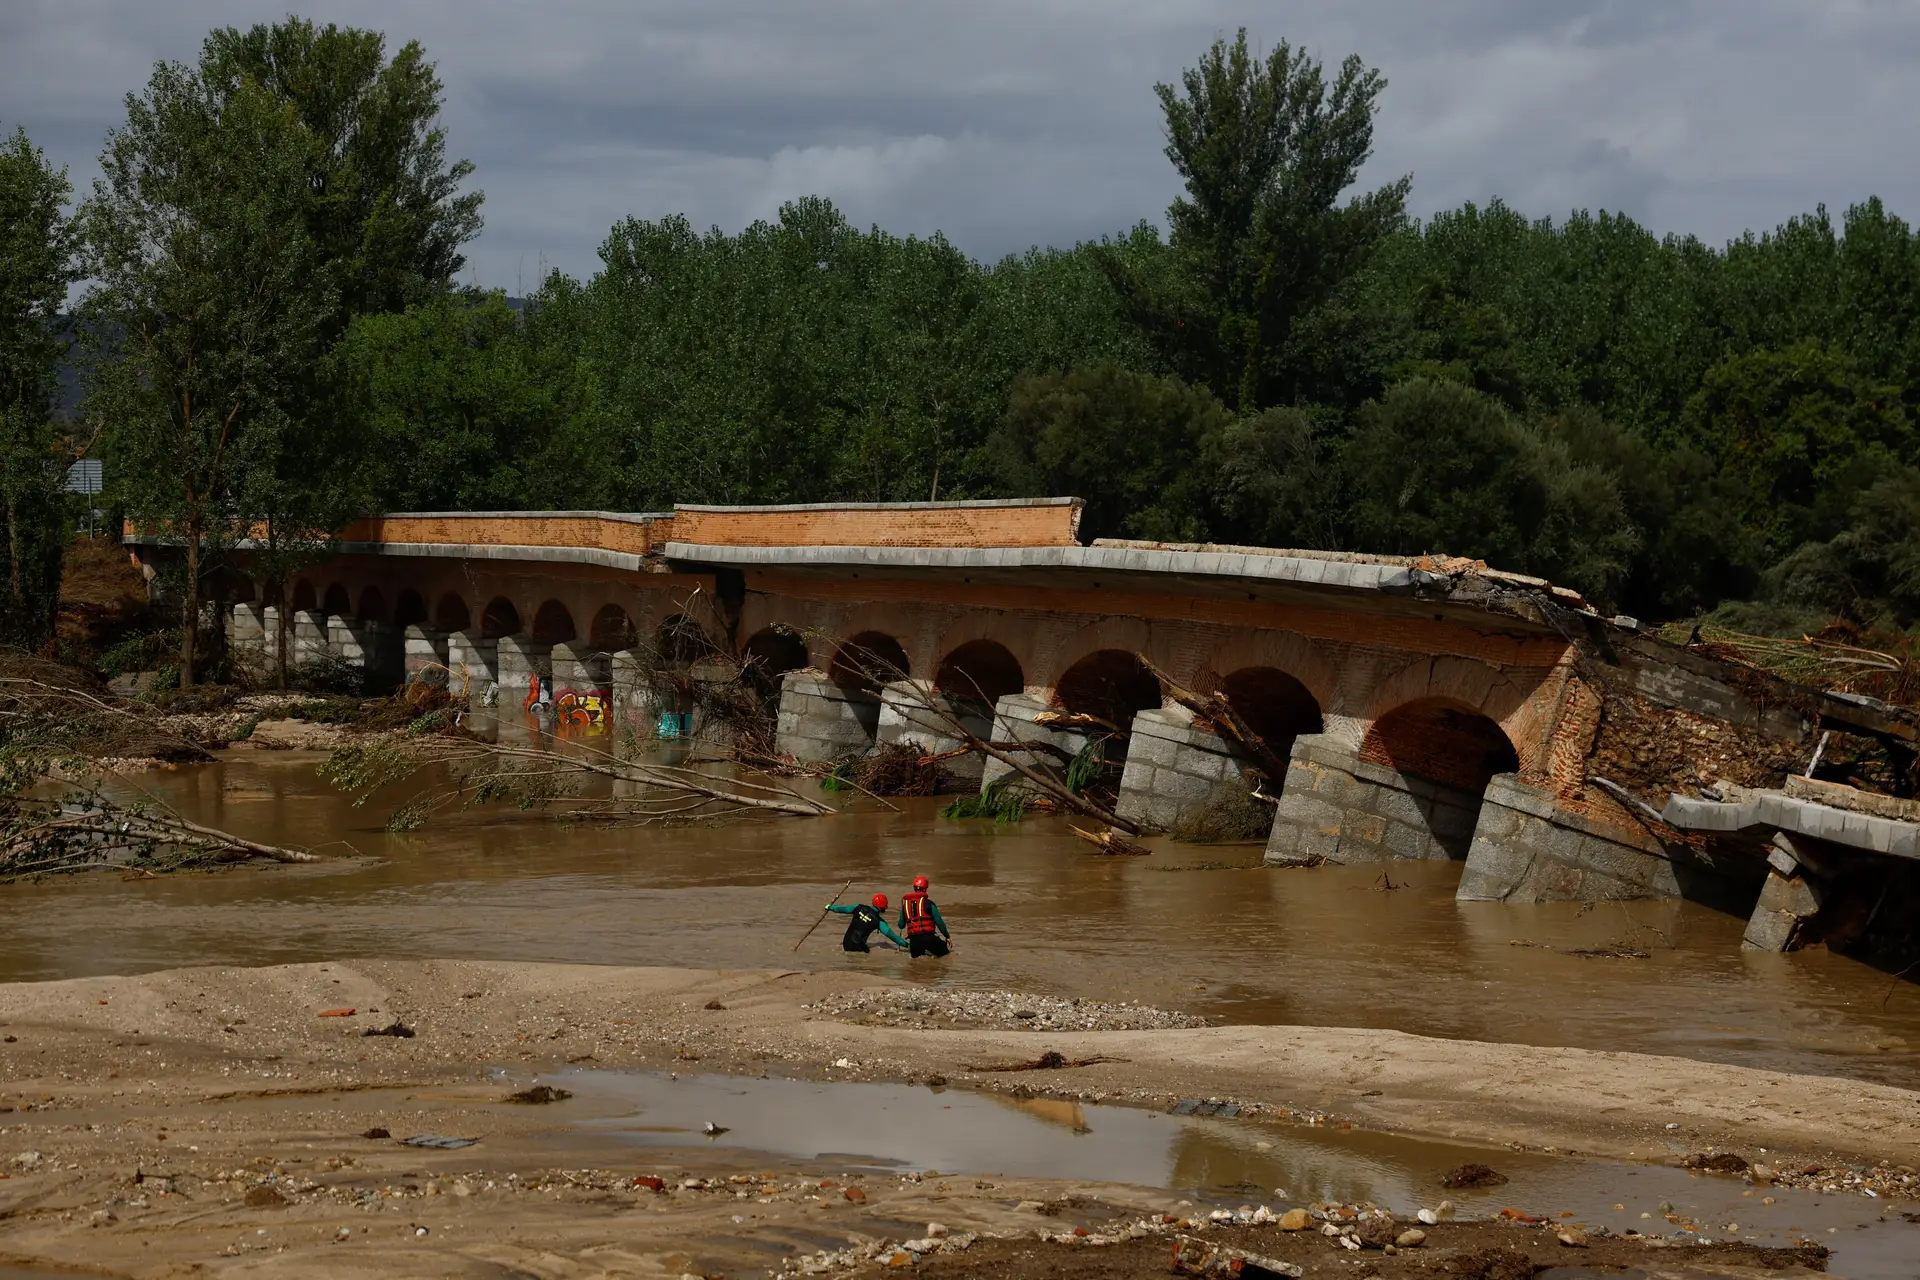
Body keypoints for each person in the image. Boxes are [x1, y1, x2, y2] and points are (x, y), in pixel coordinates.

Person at [826, 893, 907, 953]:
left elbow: (842, 909)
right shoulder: (879, 921)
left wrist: (830, 907)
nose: (886, 907)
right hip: (857, 947)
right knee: (868, 954)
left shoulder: (858, 907)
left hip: (845, 944)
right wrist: (907, 945)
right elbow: (892, 936)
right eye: (886, 905)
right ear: (883, 906)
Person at [897, 875, 952, 958]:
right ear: (925, 889)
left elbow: (901, 925)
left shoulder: (905, 905)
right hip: (928, 938)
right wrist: (947, 936)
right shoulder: (929, 903)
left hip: (914, 941)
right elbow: (939, 922)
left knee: (916, 964)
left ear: (914, 888)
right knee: (946, 956)